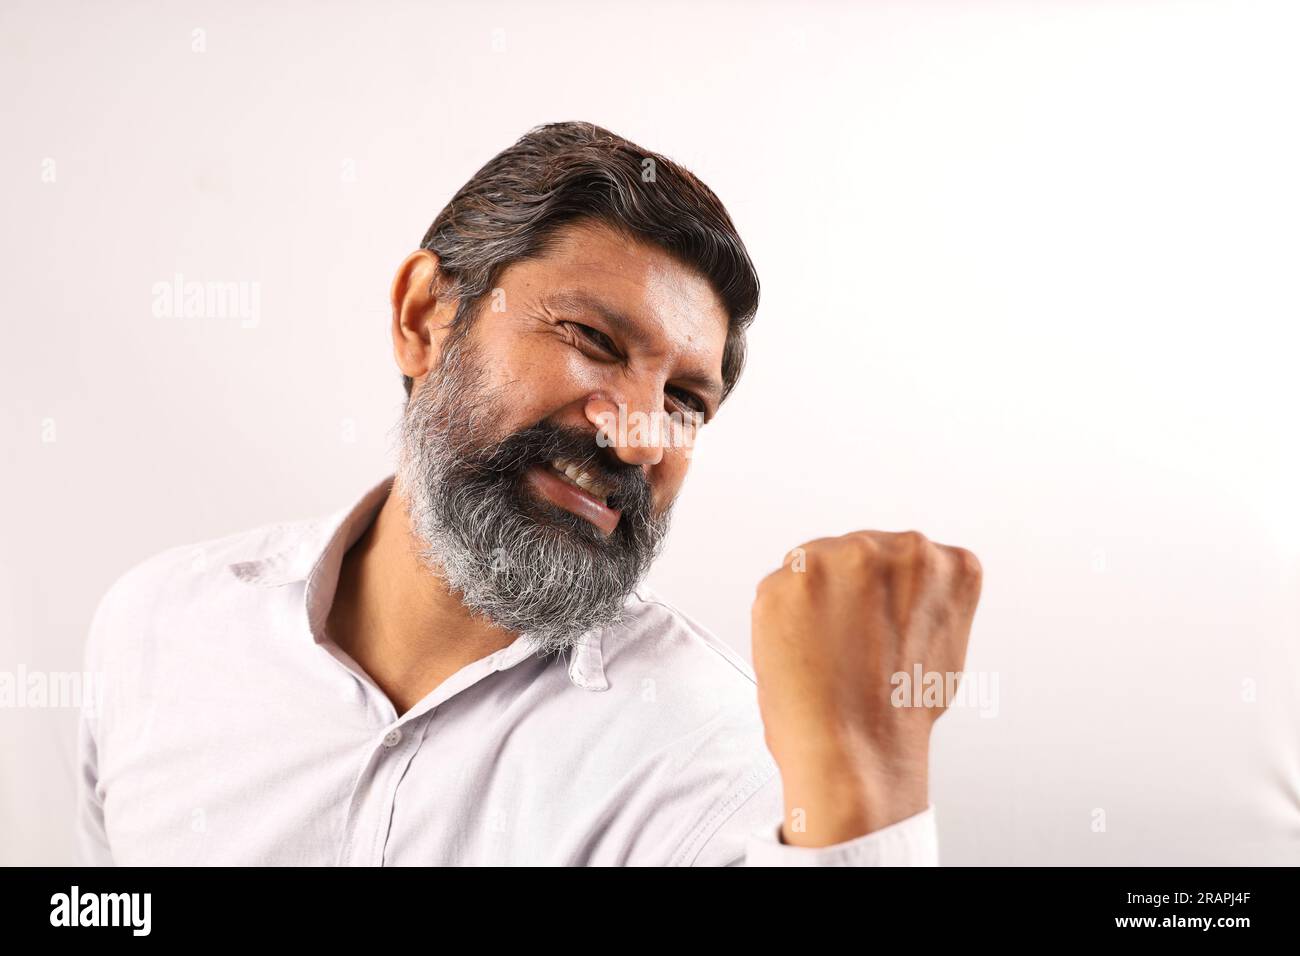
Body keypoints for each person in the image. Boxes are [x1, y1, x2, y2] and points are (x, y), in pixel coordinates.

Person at [76, 121, 982, 865]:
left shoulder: (734, 766)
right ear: (424, 319)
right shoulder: (156, 630)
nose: (636, 433)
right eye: (591, 338)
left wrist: (867, 793)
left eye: (683, 401)